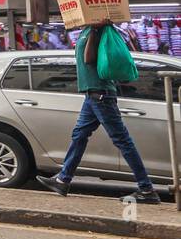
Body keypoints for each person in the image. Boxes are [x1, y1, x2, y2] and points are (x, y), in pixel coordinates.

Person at [37, 22, 160, 204]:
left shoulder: (99, 30)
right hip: (92, 95)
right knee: (79, 135)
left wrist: (95, 30)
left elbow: (89, 59)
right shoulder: (87, 30)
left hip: (100, 95)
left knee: (122, 141)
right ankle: (63, 180)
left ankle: (147, 189)